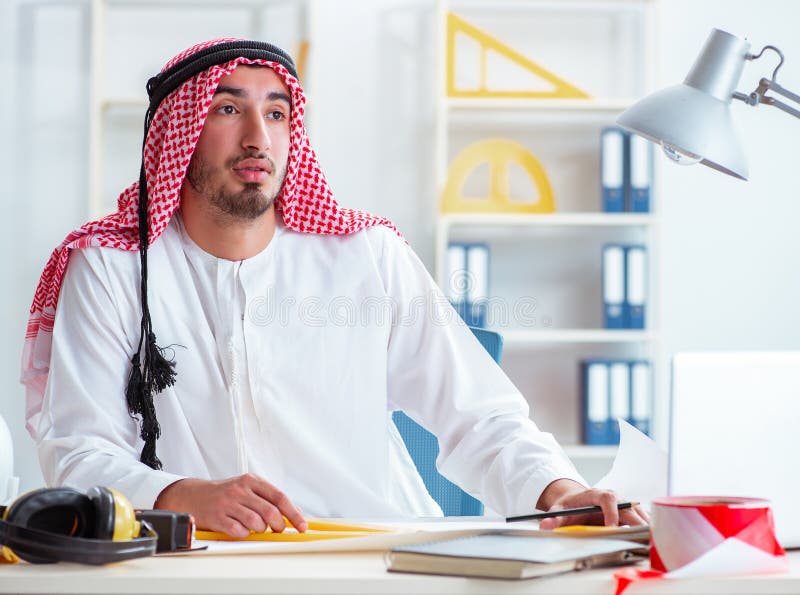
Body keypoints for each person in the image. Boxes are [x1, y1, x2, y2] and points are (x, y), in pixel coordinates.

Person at [21, 39, 646, 538]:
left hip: (377, 553)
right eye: (228, 108)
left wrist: (559, 492)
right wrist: (179, 494)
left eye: (276, 113)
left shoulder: (367, 257)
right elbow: (79, 449)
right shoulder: (110, 267)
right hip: (203, 561)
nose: (258, 139)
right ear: (177, 134)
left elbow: (480, 417)